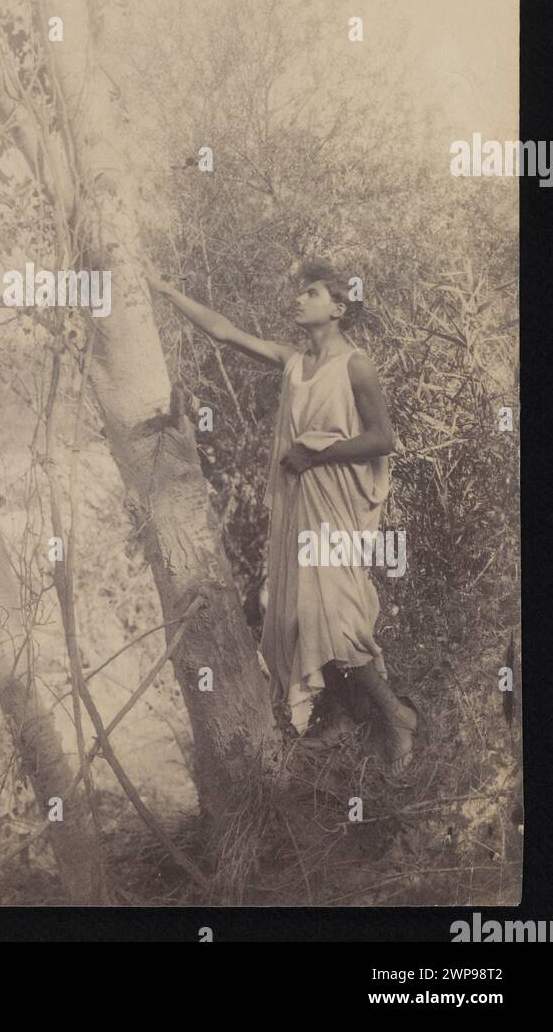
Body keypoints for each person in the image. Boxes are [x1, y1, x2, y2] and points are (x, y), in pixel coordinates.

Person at [148, 259, 424, 776]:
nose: (299, 300)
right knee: (299, 613)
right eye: (300, 292)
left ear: (339, 309)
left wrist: (316, 454)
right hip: (302, 501)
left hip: (337, 501)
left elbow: (383, 439)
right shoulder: (294, 361)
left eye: (313, 293)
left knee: (338, 616)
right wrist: (165, 290)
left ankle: (396, 715)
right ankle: (341, 715)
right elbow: (225, 333)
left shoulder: (356, 365)